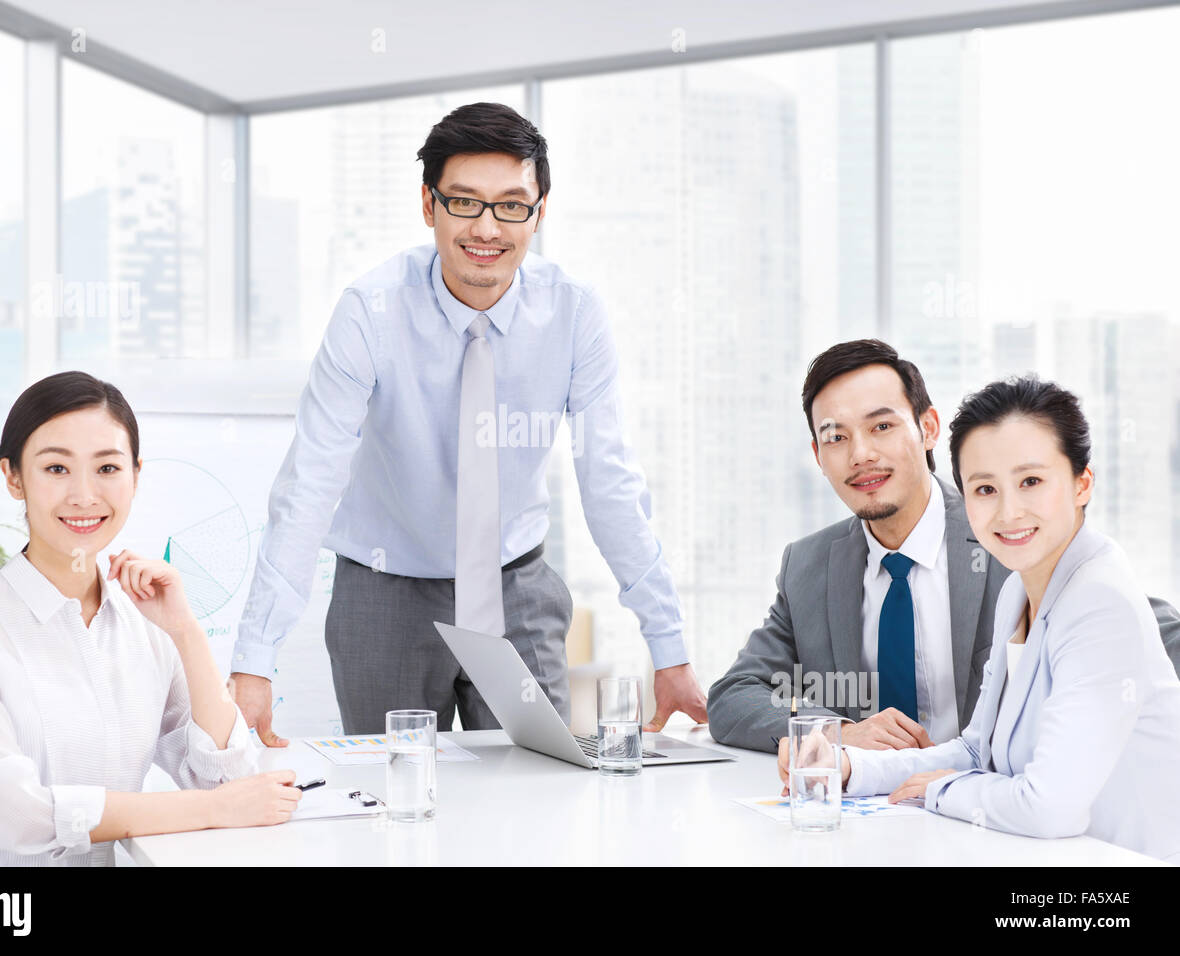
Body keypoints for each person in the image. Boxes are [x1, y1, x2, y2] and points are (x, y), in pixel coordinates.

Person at [230, 102, 706, 740]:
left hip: (516, 586)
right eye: (464, 202)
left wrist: (668, 648)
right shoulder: (370, 312)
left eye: (511, 205)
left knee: (537, 780)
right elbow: (310, 484)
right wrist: (254, 661)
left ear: (539, 212)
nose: (487, 228)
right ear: (429, 205)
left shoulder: (574, 314)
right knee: (395, 786)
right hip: (386, 592)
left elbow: (610, 483)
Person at [707, 339, 1179, 753]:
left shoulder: (1006, 532)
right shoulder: (809, 566)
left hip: (994, 806)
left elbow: (1148, 633)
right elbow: (735, 695)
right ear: (818, 456)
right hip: (869, 807)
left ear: (928, 428)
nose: (861, 454)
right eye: (836, 437)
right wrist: (837, 733)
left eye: (882, 427)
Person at [786, 376, 1180, 862]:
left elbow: (1049, 808)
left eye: (1031, 482)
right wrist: (848, 766)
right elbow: (977, 750)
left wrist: (941, 791)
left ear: (1082, 483)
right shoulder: (1019, 590)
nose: (1009, 512)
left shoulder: (1100, 602)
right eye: (986, 489)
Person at [0, 371, 300, 866]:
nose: (84, 495)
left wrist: (185, 630)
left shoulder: (147, 623)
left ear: (135, 475)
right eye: (56, 468)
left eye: (108, 468)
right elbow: (15, 816)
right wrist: (212, 809)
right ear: (13, 477)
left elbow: (229, 779)